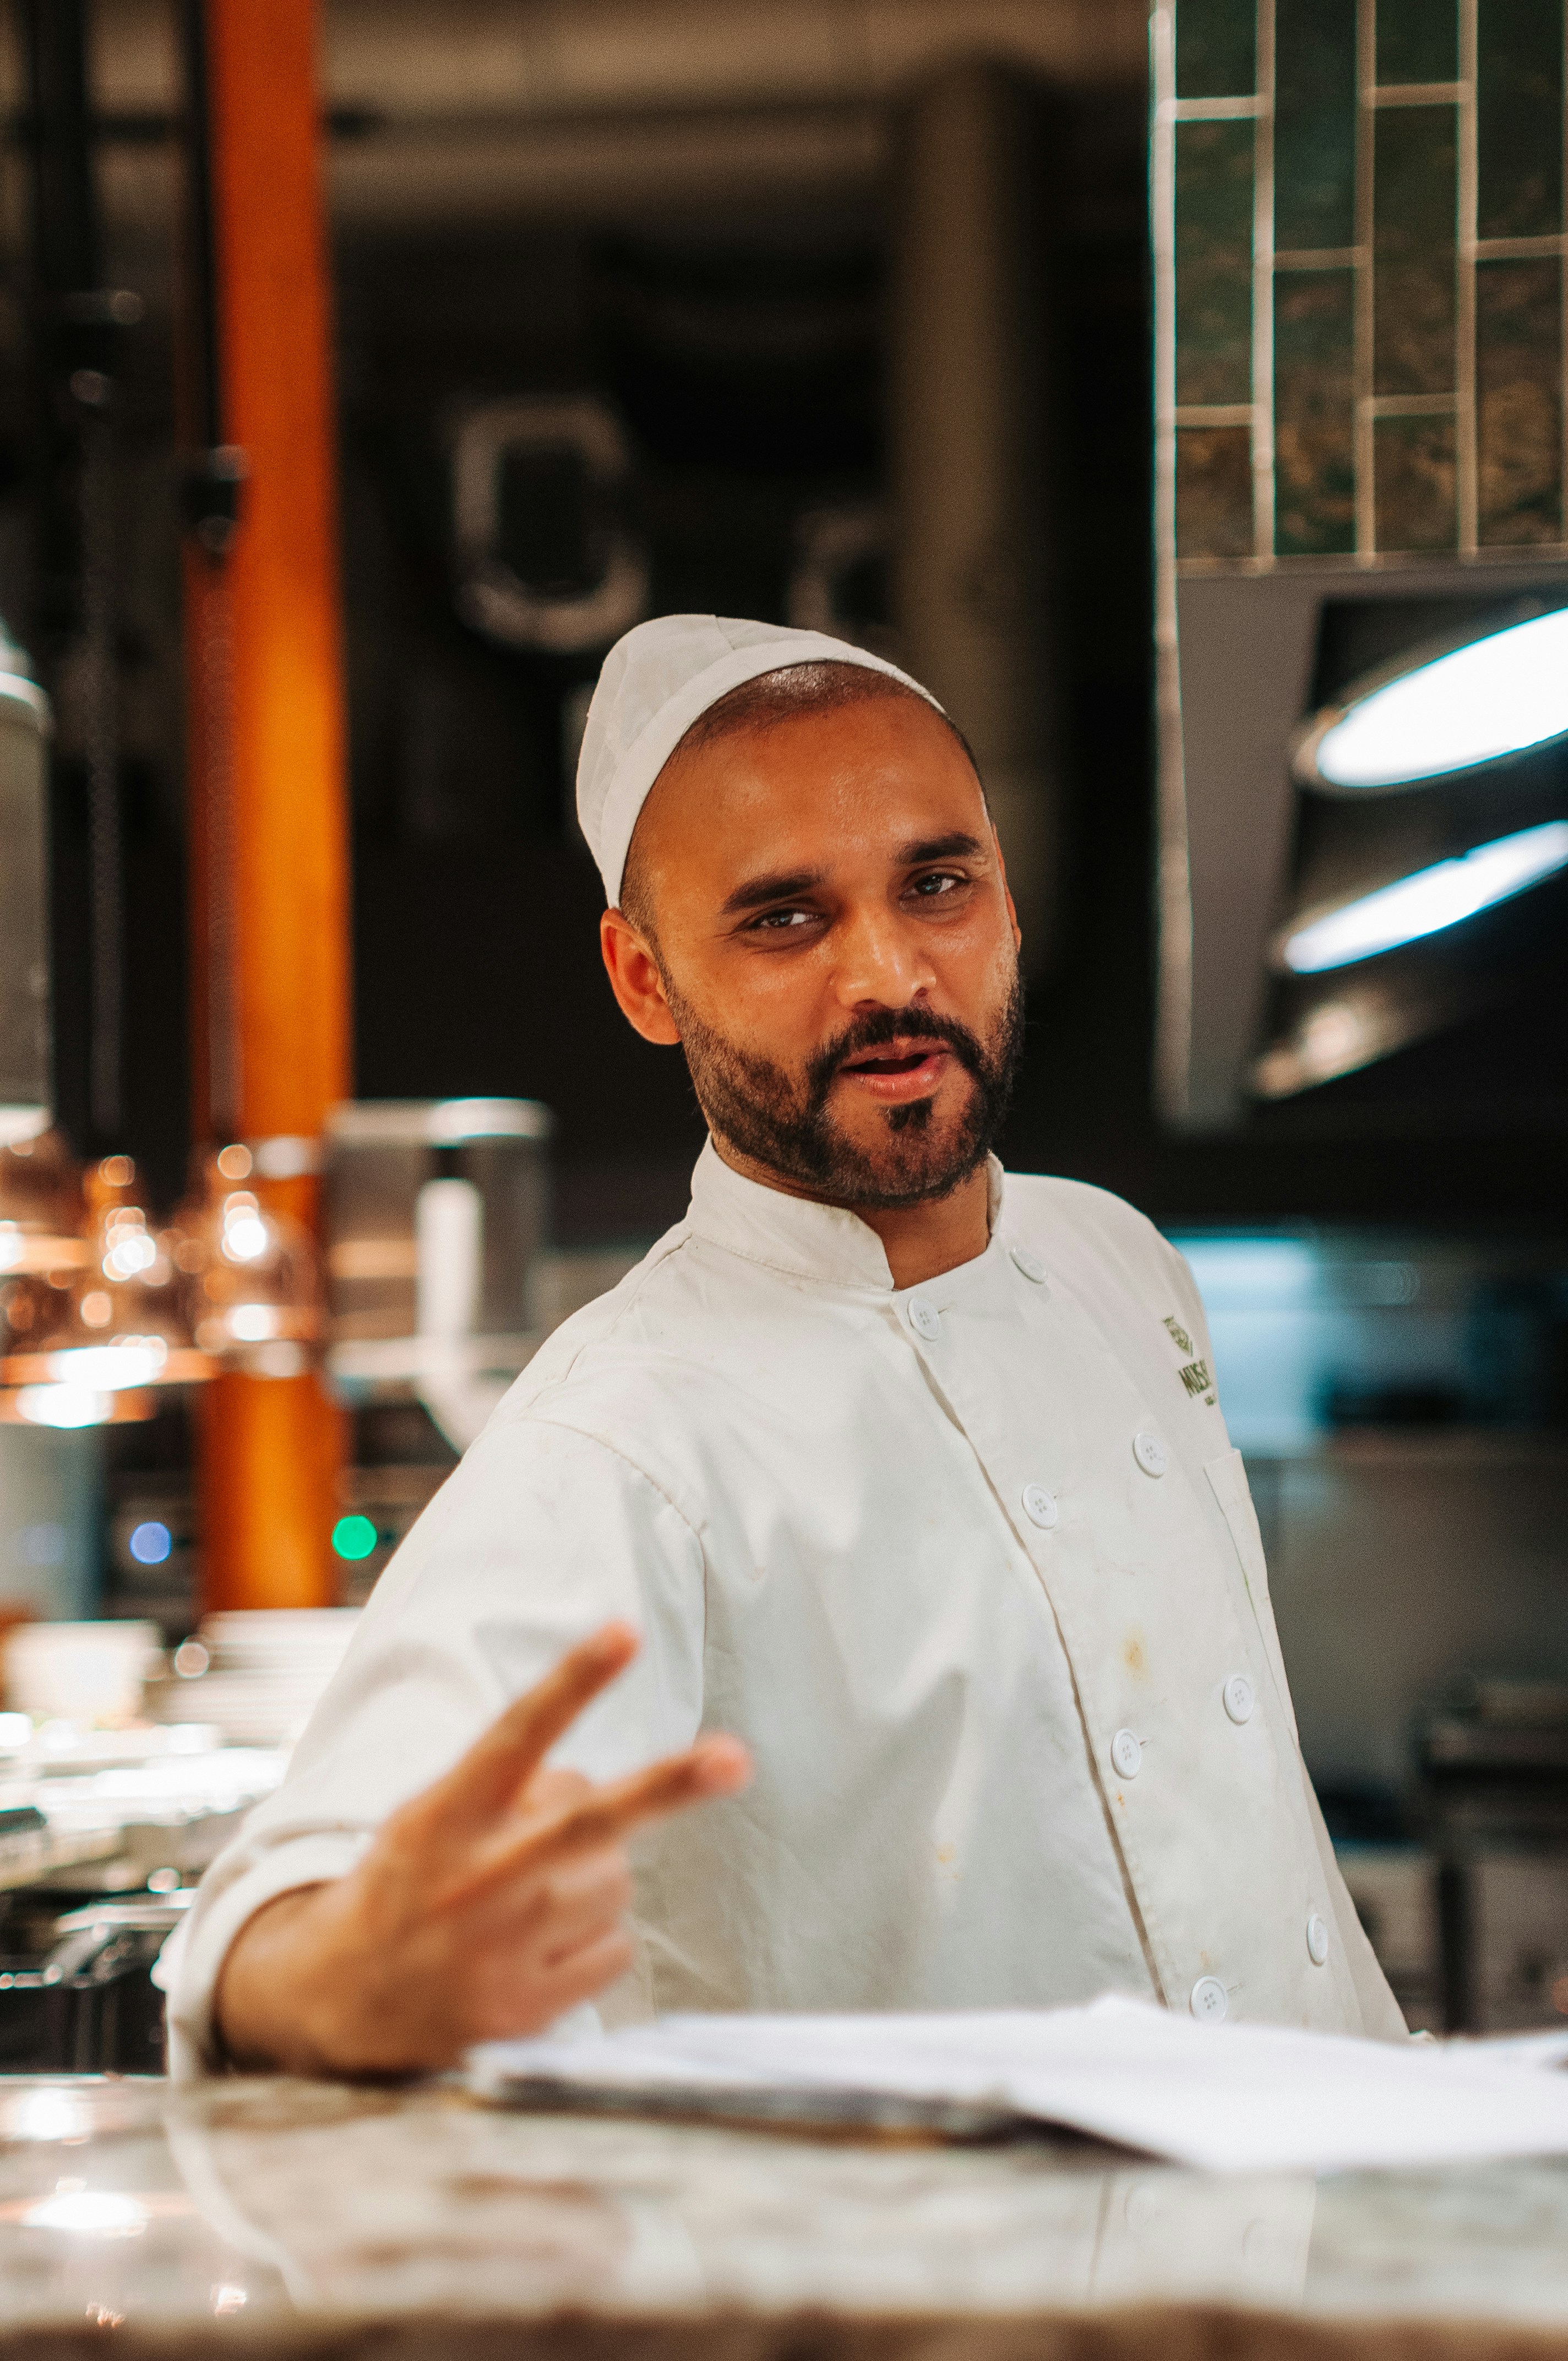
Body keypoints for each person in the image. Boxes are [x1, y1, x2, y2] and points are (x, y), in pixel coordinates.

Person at [166, 614, 1404, 2076]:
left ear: (1007, 905)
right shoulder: (626, 1433)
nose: (889, 973)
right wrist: (337, 1975)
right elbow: (303, 1906)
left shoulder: (1113, 1257)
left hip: (1336, 2212)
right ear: (644, 980)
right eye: (784, 918)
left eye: (937, 883)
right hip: (963, 2296)